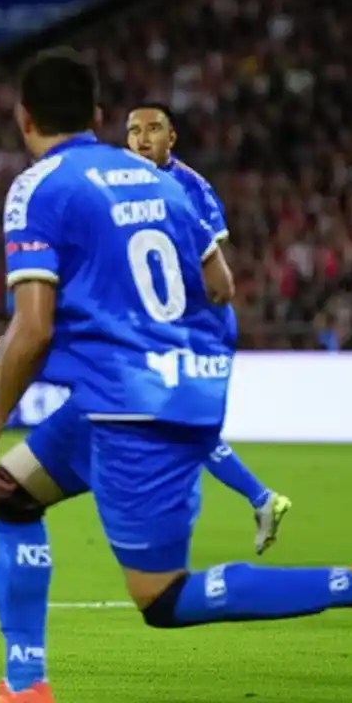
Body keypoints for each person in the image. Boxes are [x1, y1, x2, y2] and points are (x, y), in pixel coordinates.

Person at [0, 48, 352, 703]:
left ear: (24, 121)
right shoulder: (163, 180)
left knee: (162, 598)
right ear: (99, 116)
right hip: (153, 390)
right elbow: (221, 284)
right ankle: (25, 685)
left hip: (134, 408)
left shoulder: (39, 185)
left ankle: (351, 582)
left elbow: (35, 325)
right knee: (11, 493)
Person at [126, 101, 291, 548]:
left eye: (154, 128)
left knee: (171, 425)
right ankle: (259, 499)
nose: (142, 138)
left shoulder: (190, 188)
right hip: (167, 329)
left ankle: (177, 519)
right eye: (134, 130)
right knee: (170, 425)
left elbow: (217, 281)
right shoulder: (127, 188)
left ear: (172, 138)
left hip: (199, 327)